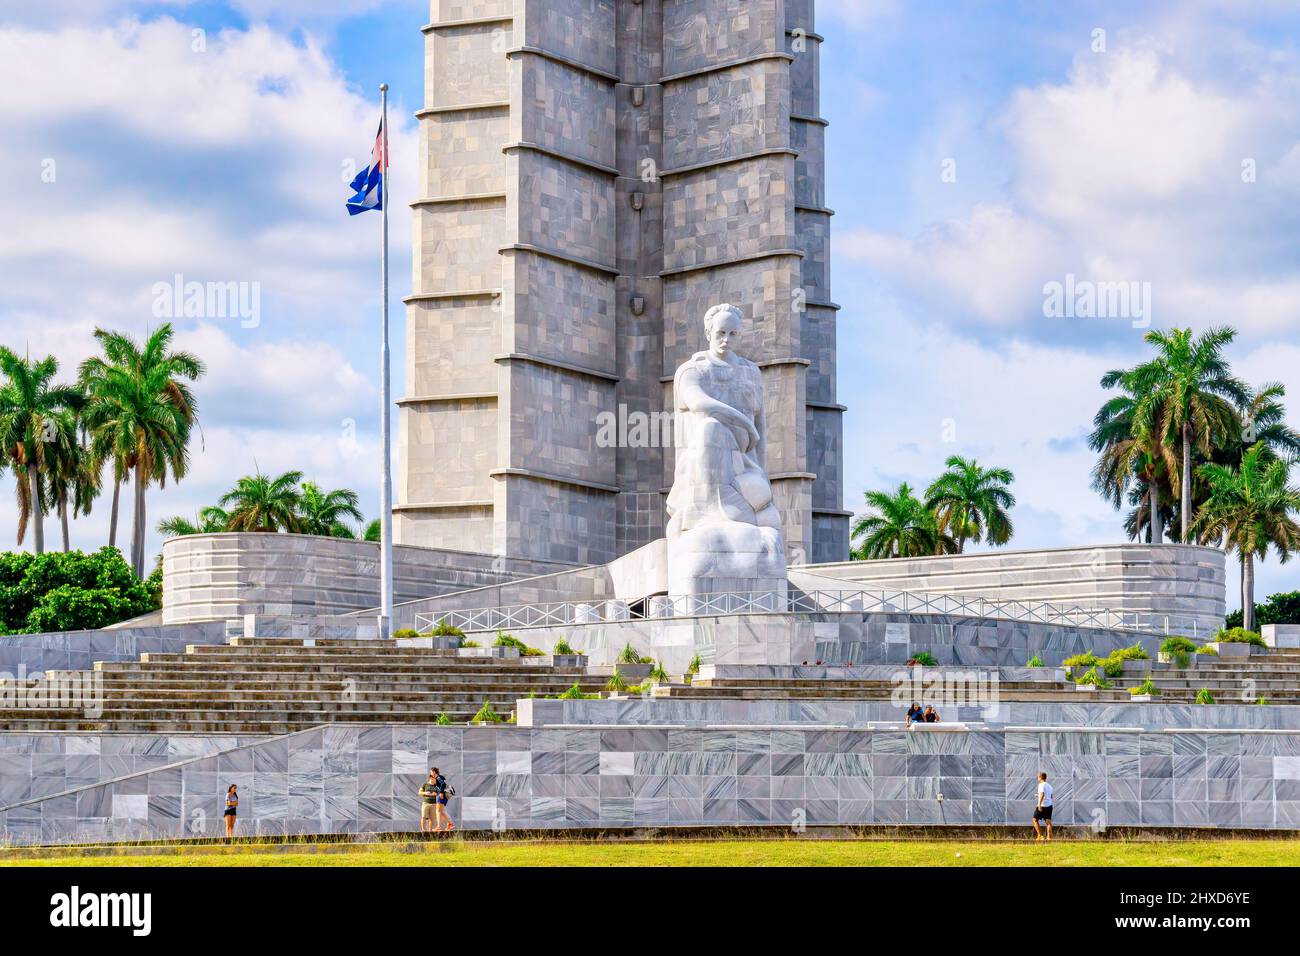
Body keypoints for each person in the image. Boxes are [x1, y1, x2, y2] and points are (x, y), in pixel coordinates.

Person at [432, 766, 455, 832]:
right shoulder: (437, 778)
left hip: (442, 795)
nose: (431, 773)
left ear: (434, 772)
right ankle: (449, 824)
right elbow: (440, 786)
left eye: (431, 772)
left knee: (438, 811)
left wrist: (441, 793)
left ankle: (439, 826)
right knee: (440, 811)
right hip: (442, 795)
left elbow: (443, 784)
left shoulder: (438, 777)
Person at [1033, 772, 1053, 841]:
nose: (1037, 778)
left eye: (1038, 777)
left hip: (1042, 805)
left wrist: (1039, 804)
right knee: (1048, 822)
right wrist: (1038, 795)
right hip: (1049, 805)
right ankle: (1049, 837)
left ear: (1040, 777)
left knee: (1035, 819)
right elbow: (1050, 796)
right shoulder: (1050, 786)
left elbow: (1042, 794)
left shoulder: (1041, 785)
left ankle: (1040, 835)